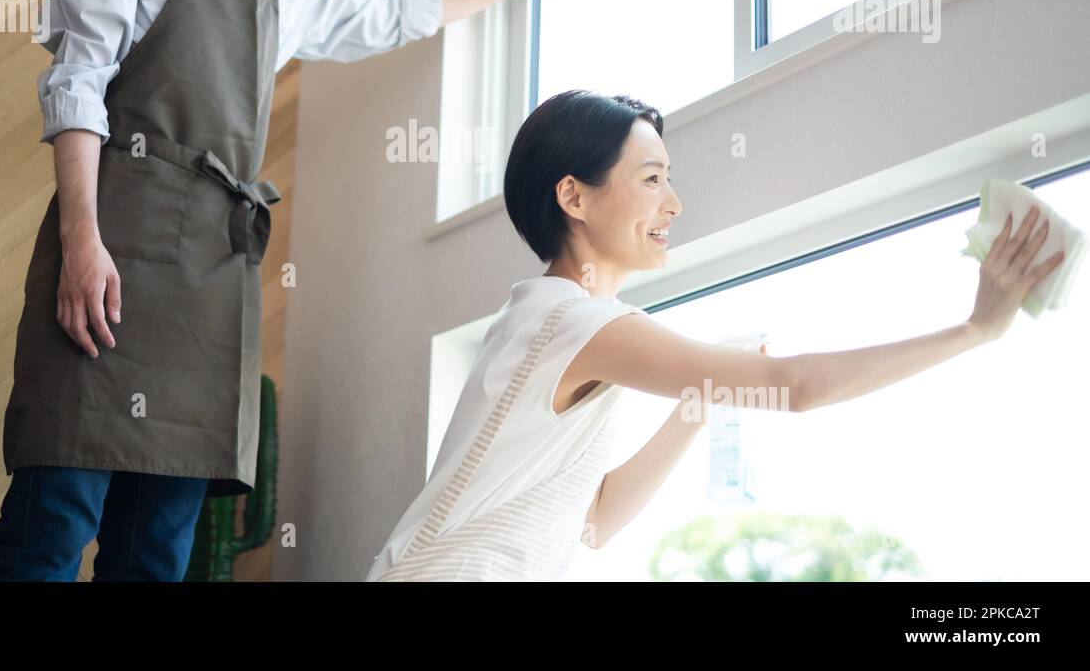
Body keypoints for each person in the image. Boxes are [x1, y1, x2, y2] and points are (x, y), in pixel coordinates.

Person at [0, 0, 570, 582]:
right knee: (49, 529)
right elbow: (76, 89)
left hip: (212, 285)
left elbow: (390, 13)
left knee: (157, 556)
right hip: (111, 254)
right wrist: (81, 241)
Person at [366, 89, 1065, 581]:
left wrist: (697, 407)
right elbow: (795, 388)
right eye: (651, 178)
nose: (674, 202)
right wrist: (976, 329)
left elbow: (595, 522)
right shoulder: (573, 320)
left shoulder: (546, 322)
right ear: (573, 196)